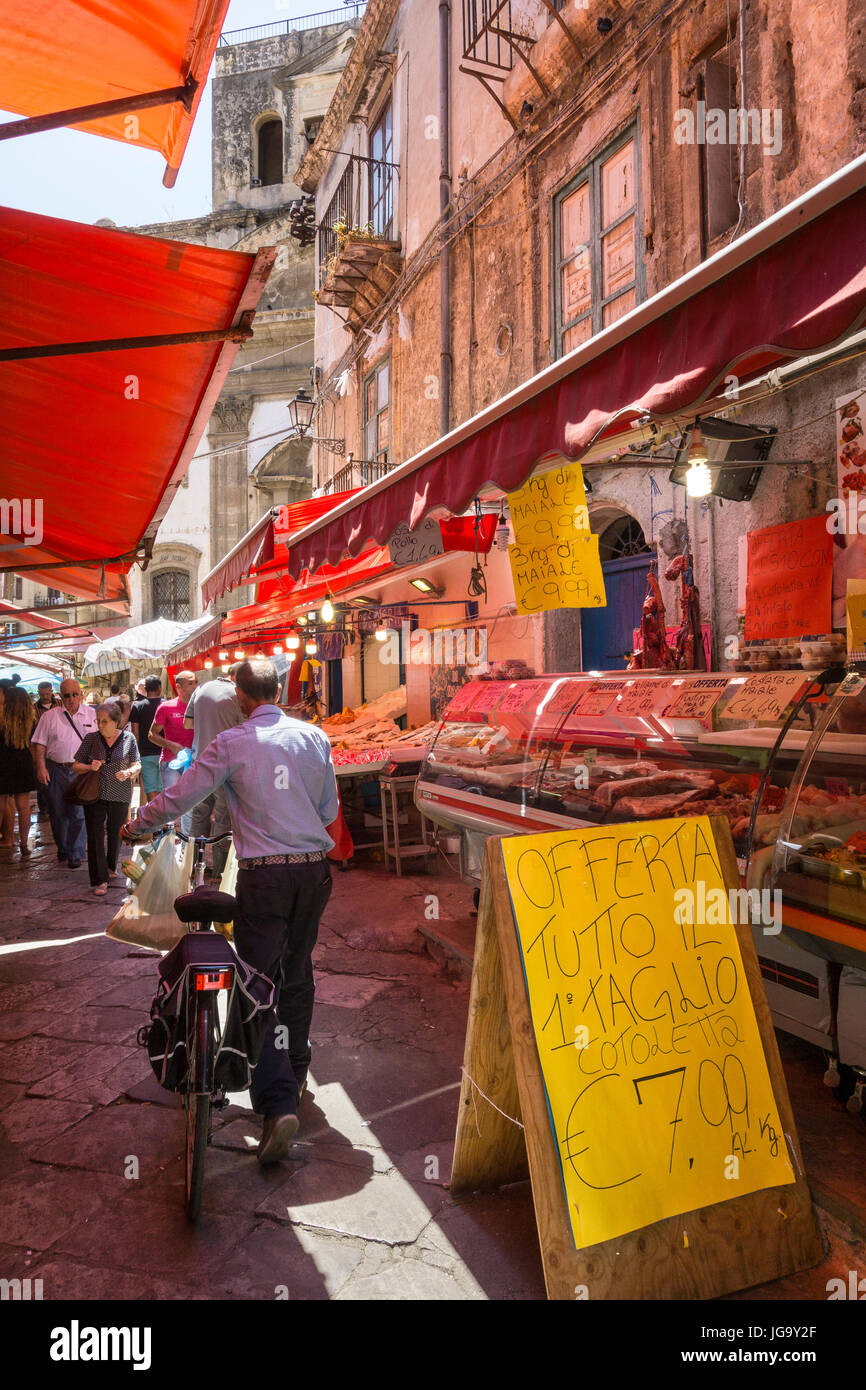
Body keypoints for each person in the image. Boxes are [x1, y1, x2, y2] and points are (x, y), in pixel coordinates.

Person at [124, 659, 338, 1165]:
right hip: (313, 872)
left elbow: (183, 794)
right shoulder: (314, 738)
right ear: (280, 690)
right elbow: (328, 811)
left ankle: (277, 1102)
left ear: (241, 697)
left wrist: (137, 825)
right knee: (297, 970)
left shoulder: (232, 743)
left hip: (265, 876)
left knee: (259, 981)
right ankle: (297, 1066)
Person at [71, 700, 140, 896]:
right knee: (94, 834)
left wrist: (128, 772)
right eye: (98, 721)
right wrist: (89, 766)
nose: (99, 725)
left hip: (120, 792)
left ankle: (110, 867)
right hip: (95, 793)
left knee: (116, 832)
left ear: (116, 722)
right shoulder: (91, 738)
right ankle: (100, 879)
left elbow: (137, 765)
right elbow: (76, 765)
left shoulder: (129, 738)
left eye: (104, 721)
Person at [31, 678, 97, 868]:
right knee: (58, 813)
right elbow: (40, 745)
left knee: (78, 813)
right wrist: (41, 768)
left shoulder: (92, 715)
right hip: (56, 770)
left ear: (81, 695)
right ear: (60, 696)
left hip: (81, 771)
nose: (71, 699)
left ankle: (75, 852)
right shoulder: (49, 716)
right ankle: (63, 847)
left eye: (75, 694)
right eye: (66, 695)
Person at [184, 667, 243, 877]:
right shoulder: (237, 694)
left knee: (199, 816)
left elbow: (187, 723)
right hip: (225, 766)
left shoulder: (201, 689)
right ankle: (219, 872)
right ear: (238, 678)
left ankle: (191, 869)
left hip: (201, 762)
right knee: (223, 819)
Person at [148, 670, 196, 834]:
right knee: (172, 805)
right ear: (178, 686)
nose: (195, 686)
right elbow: (151, 735)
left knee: (190, 806)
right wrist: (171, 745)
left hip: (194, 762)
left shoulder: (200, 708)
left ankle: (185, 849)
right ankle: (166, 845)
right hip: (170, 763)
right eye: (190, 683)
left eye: (196, 682)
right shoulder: (166, 707)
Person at [0, 685, 38, 858]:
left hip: (3, 763)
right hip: (23, 763)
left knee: (0, 805)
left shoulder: (1, 719)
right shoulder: (31, 720)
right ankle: (24, 843)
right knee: (23, 807)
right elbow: (32, 746)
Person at [130, 676, 164, 804]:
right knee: (162, 790)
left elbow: (135, 732)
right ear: (159, 687)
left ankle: (155, 821)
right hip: (163, 752)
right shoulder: (165, 704)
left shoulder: (137, 706)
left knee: (150, 790)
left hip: (145, 753)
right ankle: (160, 820)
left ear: (145, 688)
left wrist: (136, 752)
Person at [33, 682, 59, 820]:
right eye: (42, 694)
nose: (44, 696)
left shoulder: (61, 705)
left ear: (51, 692)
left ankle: (57, 807)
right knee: (43, 783)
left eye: (47, 693)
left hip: (58, 749)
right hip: (42, 750)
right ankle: (44, 810)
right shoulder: (33, 709)